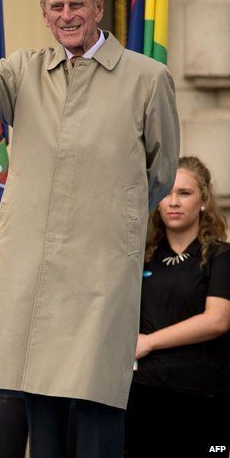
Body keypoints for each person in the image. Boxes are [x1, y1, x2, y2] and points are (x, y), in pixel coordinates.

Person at [0, 0, 180, 457]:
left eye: (77, 5)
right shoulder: (24, 72)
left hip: (99, 268)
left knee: (95, 404)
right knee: (38, 399)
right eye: (56, 7)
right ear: (45, 16)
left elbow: (158, 174)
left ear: (97, 8)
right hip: (31, 266)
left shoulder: (146, 77)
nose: (67, 16)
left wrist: (112, 214)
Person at [124, 156, 230, 457]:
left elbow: (217, 320)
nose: (173, 201)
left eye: (184, 193)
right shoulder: (140, 258)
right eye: (167, 193)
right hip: (144, 394)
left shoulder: (221, 257)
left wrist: (148, 342)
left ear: (204, 200)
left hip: (204, 396)